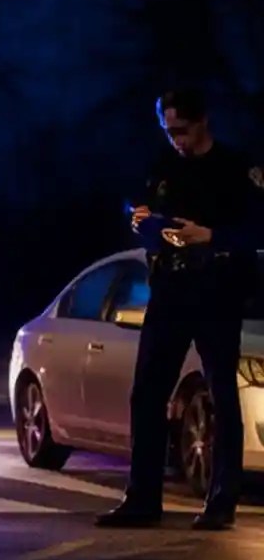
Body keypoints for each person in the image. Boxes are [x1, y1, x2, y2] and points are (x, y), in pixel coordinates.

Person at [97, 88, 264, 531]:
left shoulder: (235, 168)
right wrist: (142, 219)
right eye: (168, 131)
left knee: (220, 393)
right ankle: (142, 498)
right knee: (148, 391)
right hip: (170, 289)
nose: (176, 140)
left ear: (203, 122)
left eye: (182, 131)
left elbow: (255, 227)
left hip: (217, 289)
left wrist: (210, 236)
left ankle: (221, 501)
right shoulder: (164, 166)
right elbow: (141, 203)